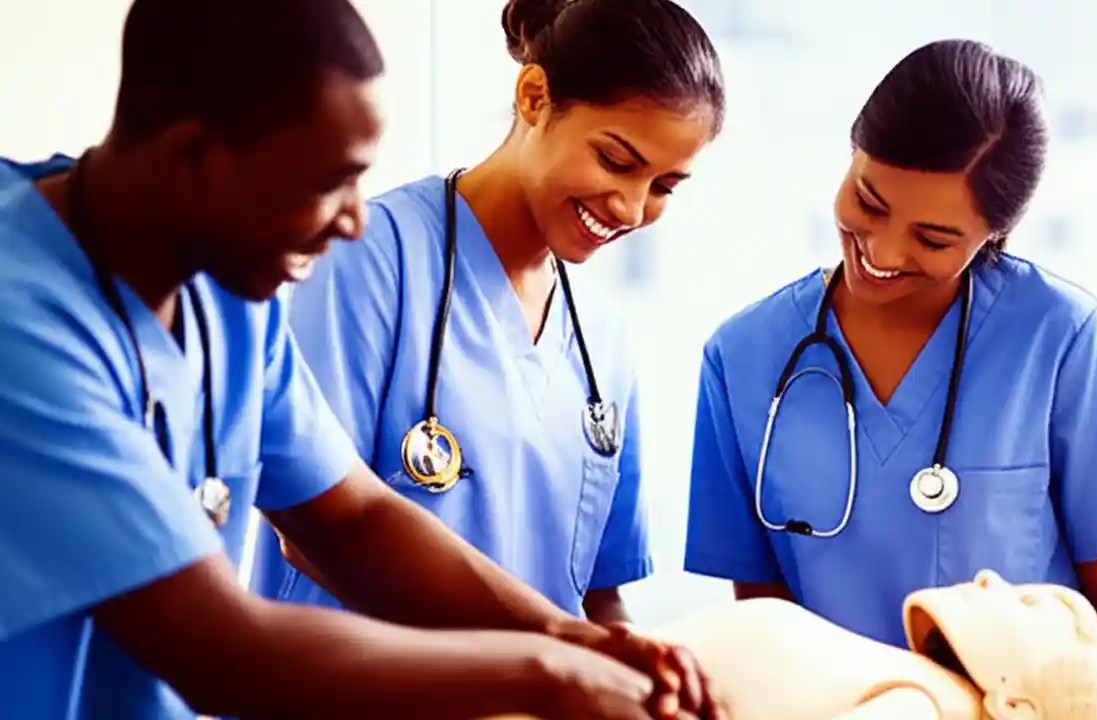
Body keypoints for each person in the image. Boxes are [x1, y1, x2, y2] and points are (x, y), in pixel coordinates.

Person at [0, 1, 722, 718]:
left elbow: (350, 518)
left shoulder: (222, 290)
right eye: (327, 183)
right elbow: (222, 655)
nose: (353, 218)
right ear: (194, 156)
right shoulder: (22, 323)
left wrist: (570, 638)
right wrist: (547, 674)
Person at [682, 39, 1097, 718]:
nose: (884, 250)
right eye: (869, 199)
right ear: (852, 151)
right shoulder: (743, 356)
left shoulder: (1062, 340)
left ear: (992, 232)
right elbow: (766, 632)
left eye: (935, 237)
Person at [251, 0, 725, 624]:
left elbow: (598, 598)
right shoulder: (369, 258)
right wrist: (545, 652)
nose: (633, 209)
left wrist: (639, 674)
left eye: (664, 186)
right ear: (534, 97)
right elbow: (315, 528)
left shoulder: (601, 337)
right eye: (616, 161)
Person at [489, 569, 1097, 720]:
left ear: (1017, 709)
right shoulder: (907, 674)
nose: (991, 579)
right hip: (592, 684)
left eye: (1032, 604)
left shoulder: (924, 706)